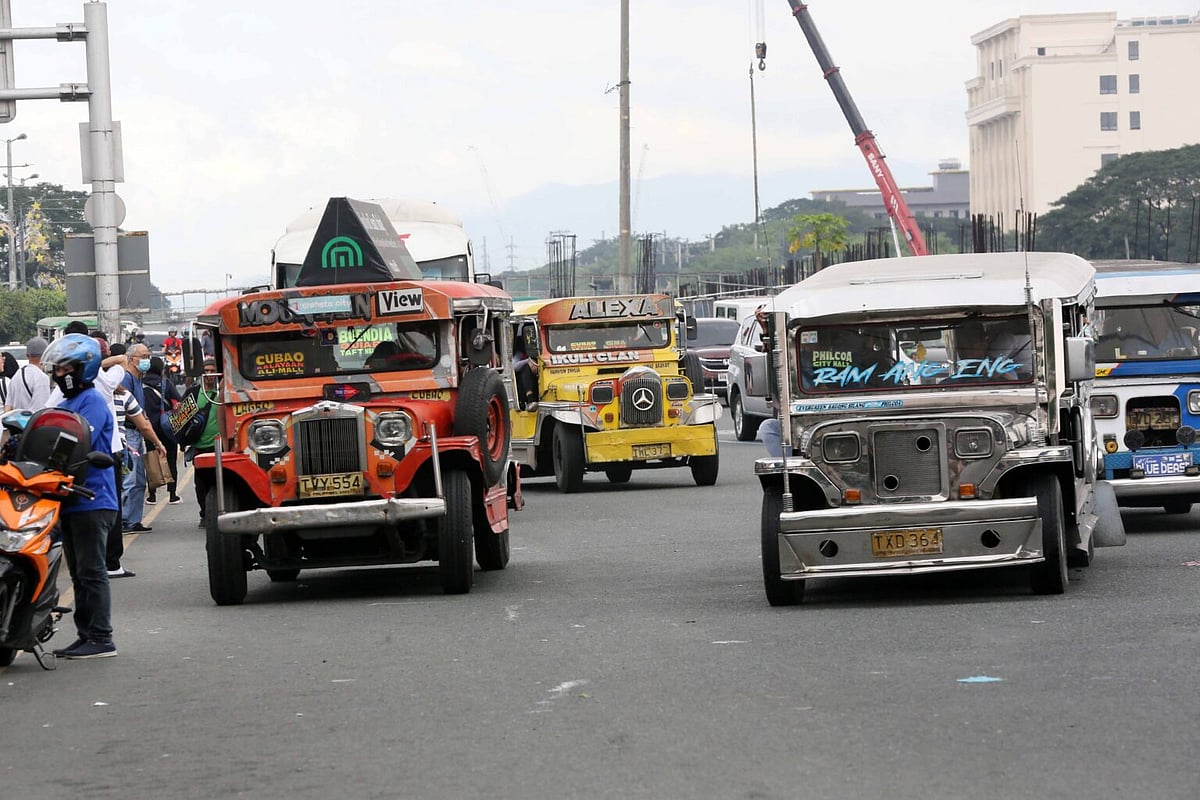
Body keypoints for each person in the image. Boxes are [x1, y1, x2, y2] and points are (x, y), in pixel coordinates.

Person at [42, 334, 120, 660]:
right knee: (78, 574)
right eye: (56, 369)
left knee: (92, 572)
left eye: (63, 369)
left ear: (81, 370)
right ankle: (85, 634)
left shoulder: (92, 401)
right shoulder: (66, 403)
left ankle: (101, 637)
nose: (58, 375)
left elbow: (76, 438)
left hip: (93, 498)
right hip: (71, 499)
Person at [118, 343, 165, 533]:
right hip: (129, 433)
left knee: (138, 480)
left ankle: (133, 520)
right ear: (132, 359)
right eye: (143, 356)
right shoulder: (126, 378)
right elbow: (130, 410)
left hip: (138, 433)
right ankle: (122, 520)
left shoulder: (138, 379)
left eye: (148, 356)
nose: (147, 360)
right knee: (129, 480)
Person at [186, 358, 221, 528]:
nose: (209, 375)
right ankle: (204, 513)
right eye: (206, 371)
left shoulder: (224, 392)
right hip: (199, 447)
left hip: (220, 446)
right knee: (200, 484)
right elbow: (180, 419)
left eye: (212, 371)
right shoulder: (193, 393)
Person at [143, 356, 182, 505]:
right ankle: (172, 494)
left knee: (152, 460)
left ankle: (152, 495)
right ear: (161, 369)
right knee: (171, 459)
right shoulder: (166, 383)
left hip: (148, 428)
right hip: (167, 428)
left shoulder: (141, 385)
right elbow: (178, 400)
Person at [4, 336, 52, 413]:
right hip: (31, 423)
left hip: (16, 422)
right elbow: (40, 410)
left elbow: (8, 406)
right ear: (46, 355)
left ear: (27, 355)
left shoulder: (17, 374)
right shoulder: (41, 378)